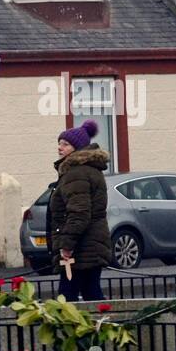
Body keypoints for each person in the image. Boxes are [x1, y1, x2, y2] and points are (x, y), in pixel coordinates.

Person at [47, 119, 111, 301]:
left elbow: (79, 213)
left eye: (65, 144)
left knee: (67, 300)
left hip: (82, 248)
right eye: (59, 143)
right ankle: (104, 327)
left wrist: (67, 245)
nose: (60, 148)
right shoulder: (87, 170)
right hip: (89, 244)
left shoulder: (77, 173)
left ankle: (102, 327)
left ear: (77, 148)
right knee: (92, 295)